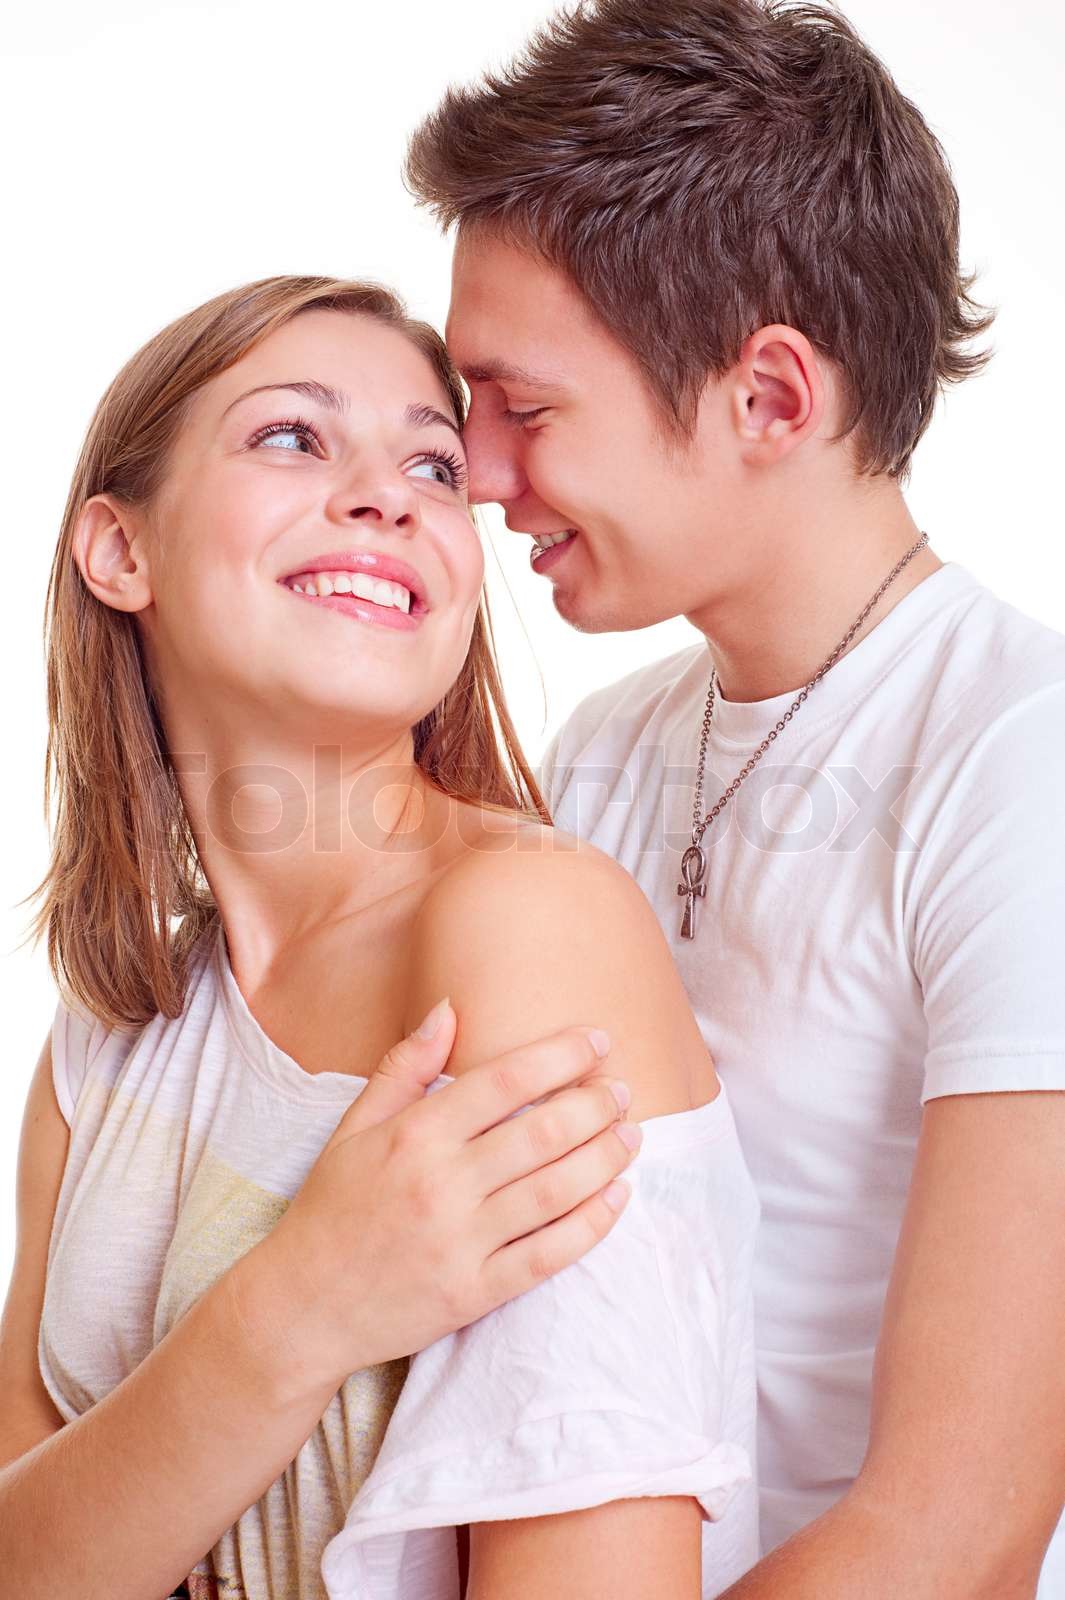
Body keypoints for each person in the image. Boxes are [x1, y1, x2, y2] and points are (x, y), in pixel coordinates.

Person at [404, 0, 1065, 1595]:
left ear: (768, 398)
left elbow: (956, 1528)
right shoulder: (607, 752)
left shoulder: (1019, 757)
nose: (476, 473)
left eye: (527, 406)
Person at [0, 275, 761, 1599]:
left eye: (431, 458)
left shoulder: (526, 929)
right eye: (292, 437)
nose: (389, 494)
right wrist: (294, 1311)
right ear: (120, 551)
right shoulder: (103, 1050)